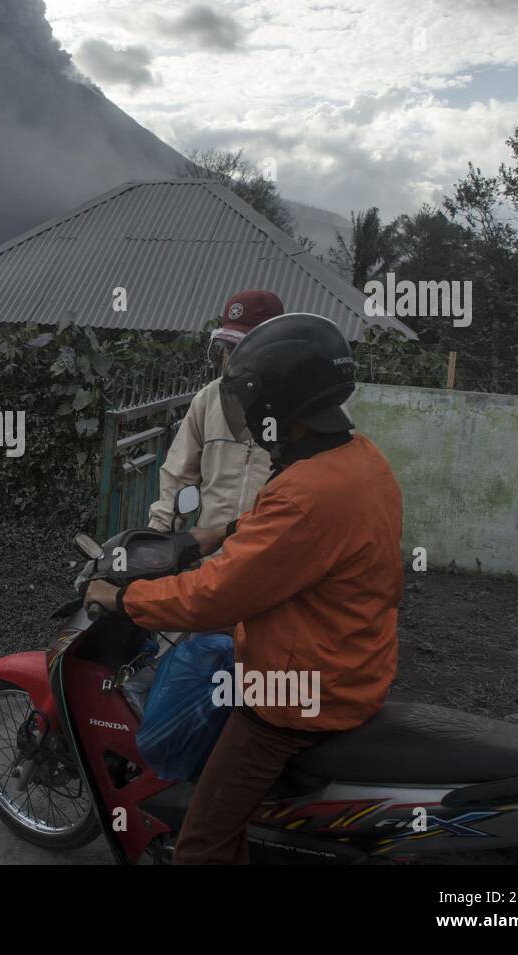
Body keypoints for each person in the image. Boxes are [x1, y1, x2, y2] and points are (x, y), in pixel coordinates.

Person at [87, 313, 403, 864]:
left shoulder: (305, 491)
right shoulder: (361, 460)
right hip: (355, 666)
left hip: (293, 699)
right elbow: (296, 542)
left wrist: (121, 599)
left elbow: (212, 600)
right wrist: (219, 532)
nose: (248, 414)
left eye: (251, 400)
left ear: (276, 400)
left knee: (201, 846)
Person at [147, 289, 284, 534]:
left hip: (270, 559)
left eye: (245, 348)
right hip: (212, 559)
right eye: (229, 349)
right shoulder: (209, 399)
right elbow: (178, 476)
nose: (234, 359)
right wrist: (157, 537)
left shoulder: (299, 403)